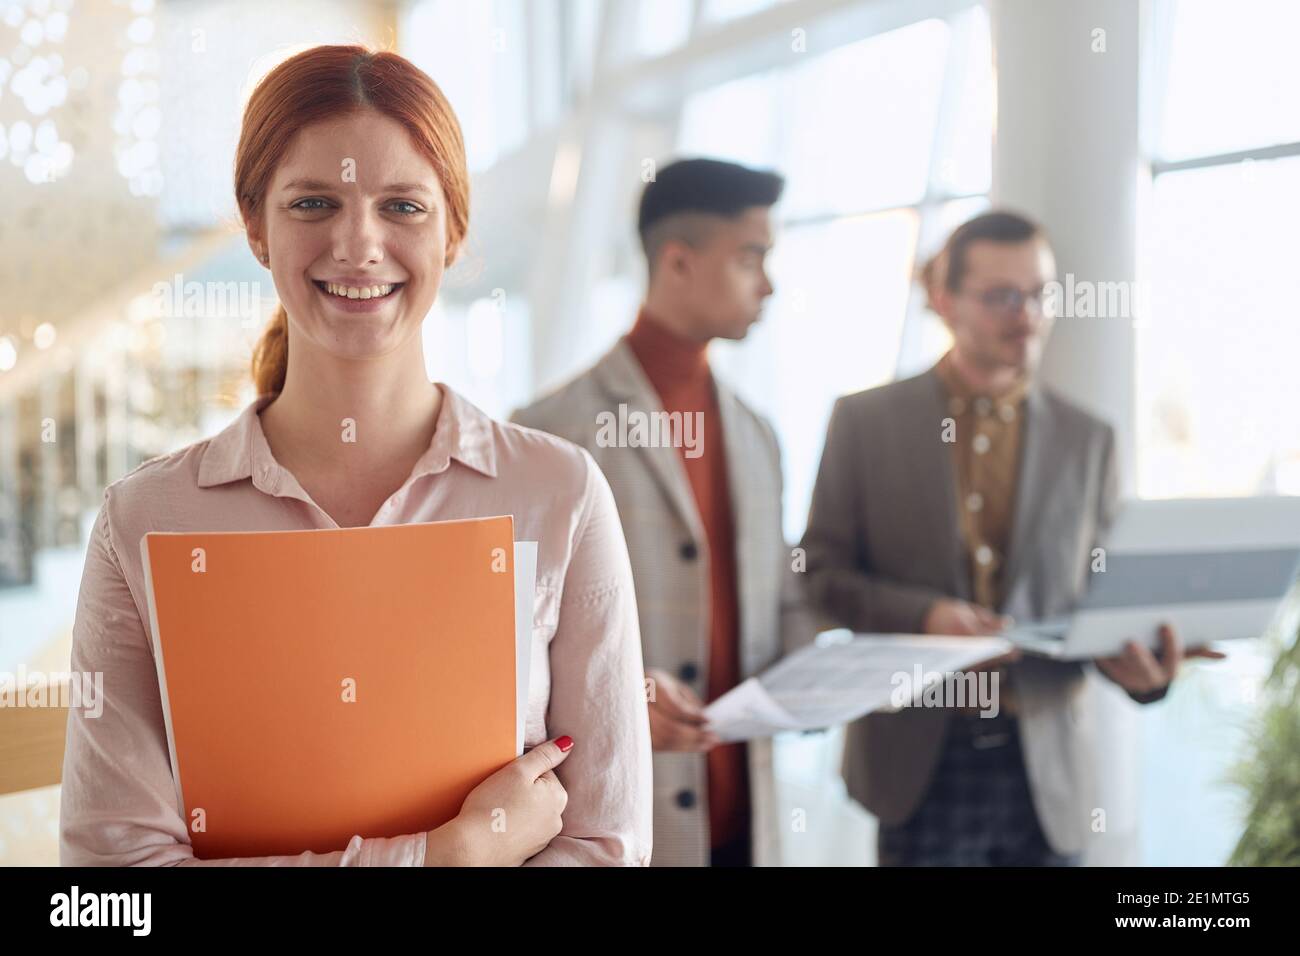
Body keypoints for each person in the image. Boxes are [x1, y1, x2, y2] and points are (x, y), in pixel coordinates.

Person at [59, 45, 652, 867]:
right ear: (256, 229)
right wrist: (448, 857)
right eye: (312, 203)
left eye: (403, 207)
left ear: (454, 233)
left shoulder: (559, 491)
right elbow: (111, 882)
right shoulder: (146, 520)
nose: (358, 244)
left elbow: (604, 846)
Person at [801, 210, 1221, 866]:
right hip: (917, 761)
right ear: (944, 301)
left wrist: (1144, 673)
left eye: (1040, 293)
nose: (1026, 314)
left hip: (1047, 769)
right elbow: (819, 574)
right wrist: (925, 616)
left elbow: (1104, 594)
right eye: (1001, 295)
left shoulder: (1090, 439)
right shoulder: (865, 421)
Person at [513, 158, 816, 867]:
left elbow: (782, 597)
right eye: (751, 258)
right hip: (622, 824)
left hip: (747, 819)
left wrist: (819, 673)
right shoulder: (551, 432)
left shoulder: (758, 432)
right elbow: (510, 645)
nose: (767, 284)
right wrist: (623, 695)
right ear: (677, 261)